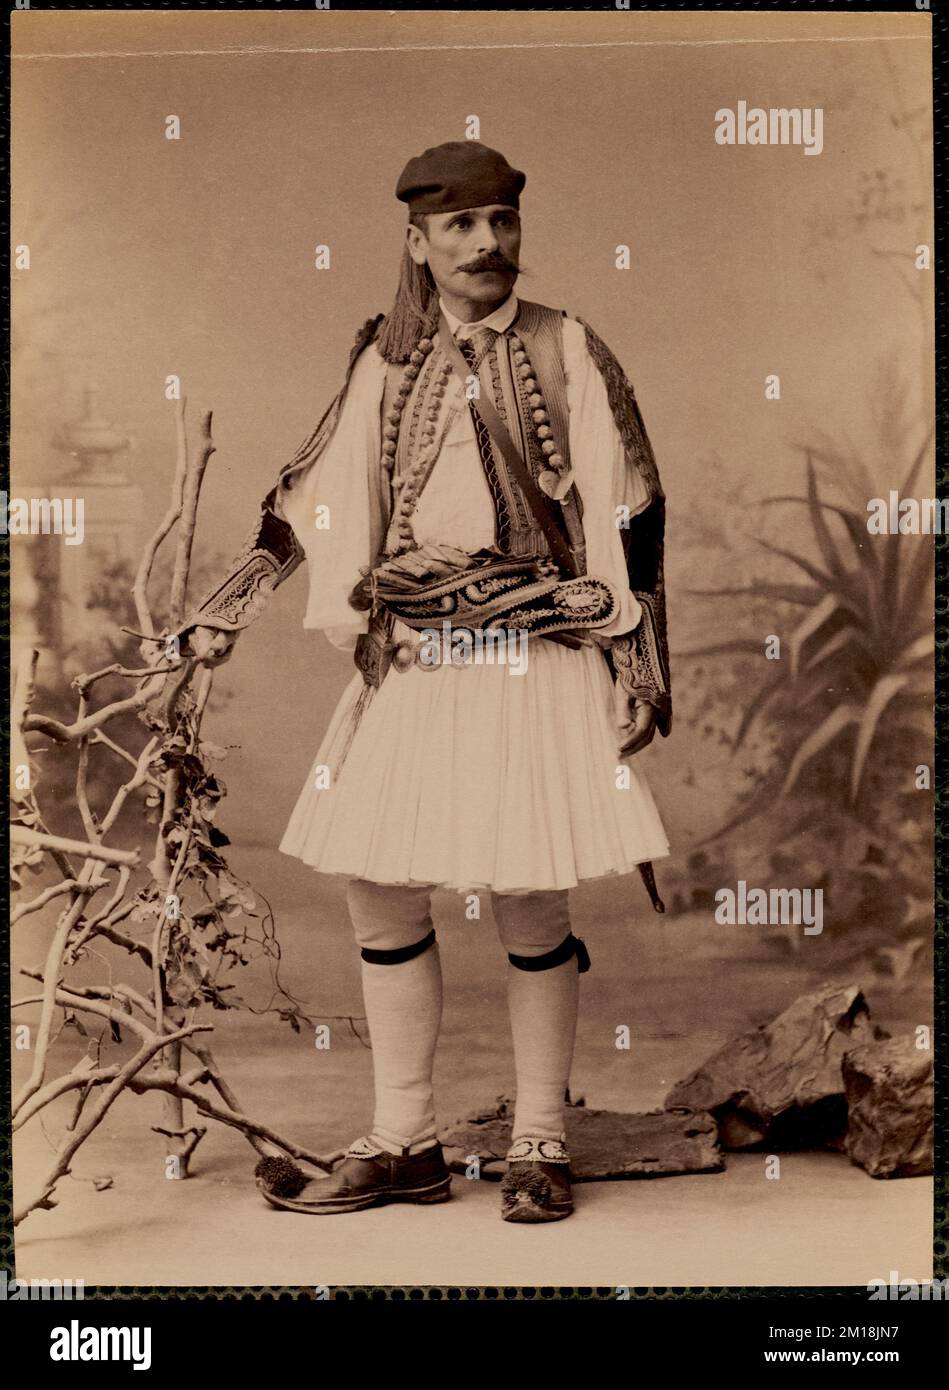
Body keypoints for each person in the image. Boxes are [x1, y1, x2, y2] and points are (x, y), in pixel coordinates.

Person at [180, 141, 672, 1223]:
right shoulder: (383, 359)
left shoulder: (566, 347)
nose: (487, 244)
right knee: (379, 883)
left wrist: (638, 657)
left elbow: (630, 503)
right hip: (413, 649)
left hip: (532, 644)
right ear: (418, 241)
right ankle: (402, 1138)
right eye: (460, 227)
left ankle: (541, 1138)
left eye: (501, 222)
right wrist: (227, 610)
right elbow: (313, 493)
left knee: (530, 887)